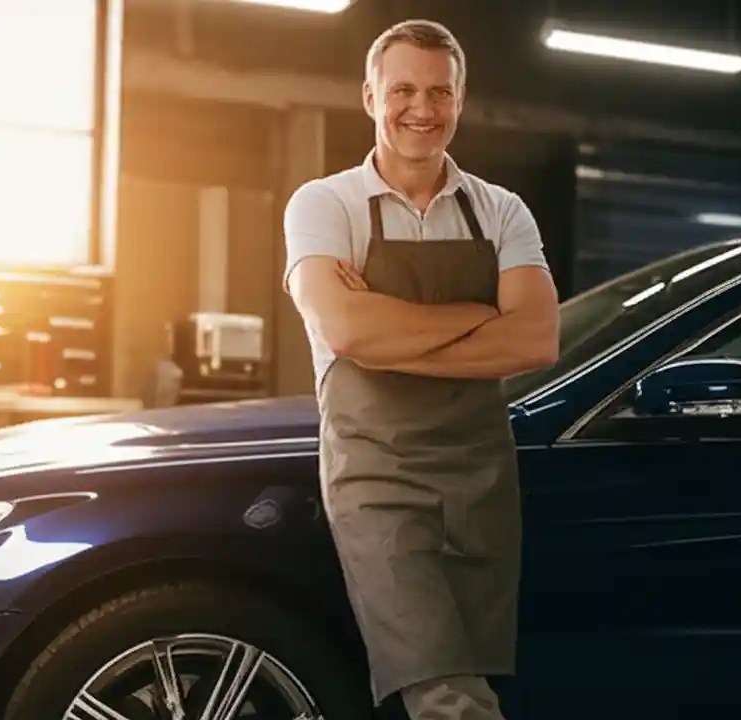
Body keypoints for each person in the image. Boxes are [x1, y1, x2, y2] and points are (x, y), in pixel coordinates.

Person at [282, 18, 561, 720]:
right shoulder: (325, 205)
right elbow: (344, 331)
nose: (423, 109)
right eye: (403, 89)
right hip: (377, 476)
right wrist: (479, 311)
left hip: (480, 479)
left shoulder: (502, 212)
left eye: (440, 92)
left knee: (468, 675)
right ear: (370, 98)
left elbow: (535, 340)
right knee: (444, 689)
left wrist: (391, 326)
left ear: (460, 101)